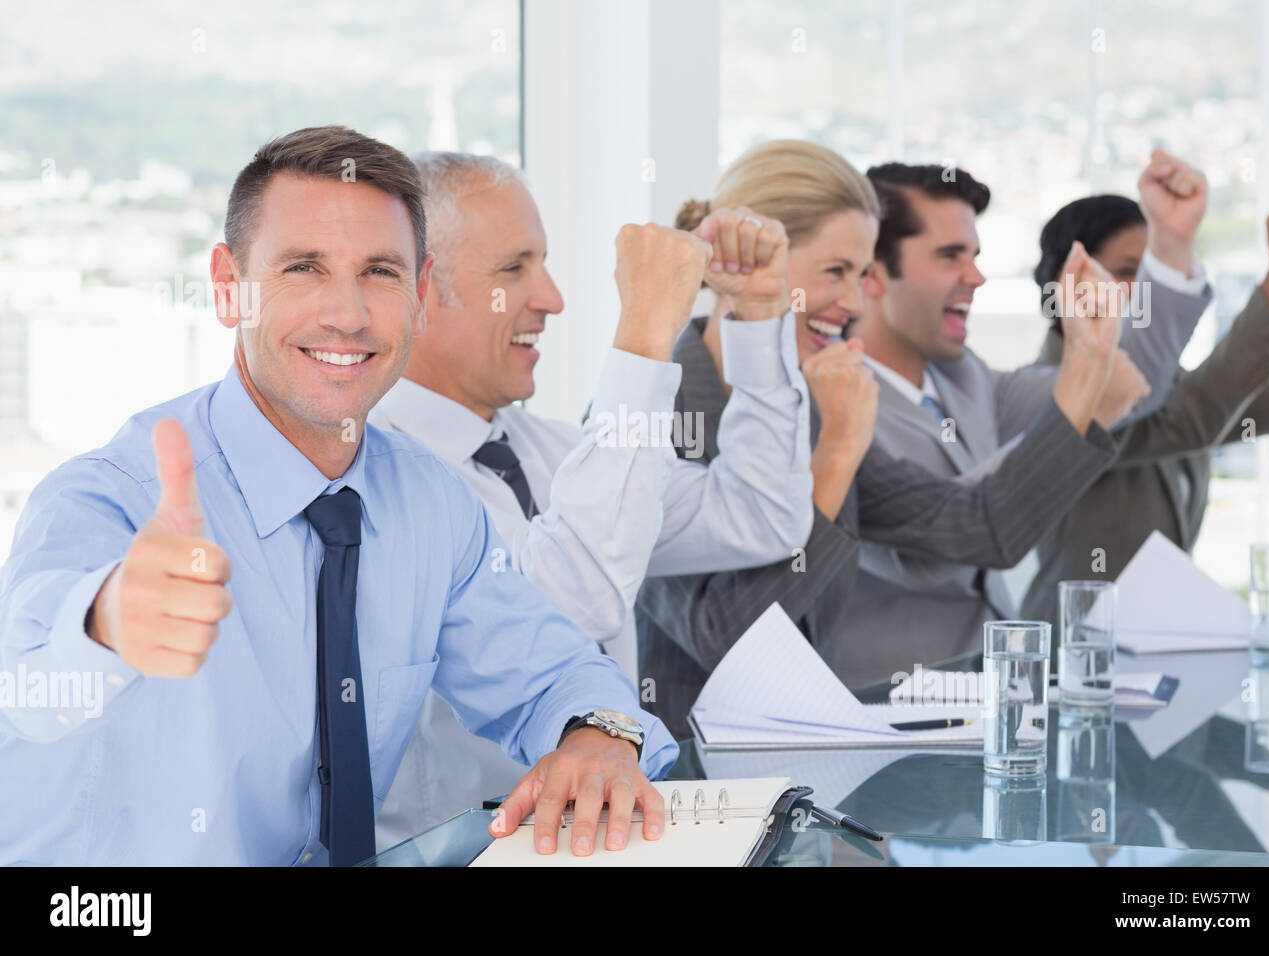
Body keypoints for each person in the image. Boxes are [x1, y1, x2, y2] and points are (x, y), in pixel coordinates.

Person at [0, 126, 677, 865]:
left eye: (380, 272)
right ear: (229, 288)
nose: (347, 314)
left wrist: (600, 735)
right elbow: (28, 686)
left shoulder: (429, 504)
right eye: (303, 268)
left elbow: (551, 668)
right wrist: (107, 622)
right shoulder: (109, 496)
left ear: (419, 297)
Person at [368, 152, 810, 846]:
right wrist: (643, 336)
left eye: (541, 263)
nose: (550, 297)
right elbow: (567, 611)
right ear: (422, 291)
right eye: (513, 269)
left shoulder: (551, 450)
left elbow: (762, 515)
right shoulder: (379, 478)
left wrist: (756, 318)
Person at [635, 140, 1141, 738]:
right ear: (749, 263)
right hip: (692, 798)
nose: (851, 304)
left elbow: (980, 526)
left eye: (861, 274)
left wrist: (1087, 359)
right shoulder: (653, 407)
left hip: (810, 781)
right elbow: (728, 635)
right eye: (834, 272)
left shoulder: (813, 410)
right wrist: (838, 455)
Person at [1020, 197, 1269, 622]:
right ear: (1067, 281)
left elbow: (1240, 406)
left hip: (1161, 644)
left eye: (1154, 274)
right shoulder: (1053, 394)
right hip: (1074, 654)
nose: (1147, 292)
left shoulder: (1164, 385)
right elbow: (1195, 416)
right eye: (1128, 271)